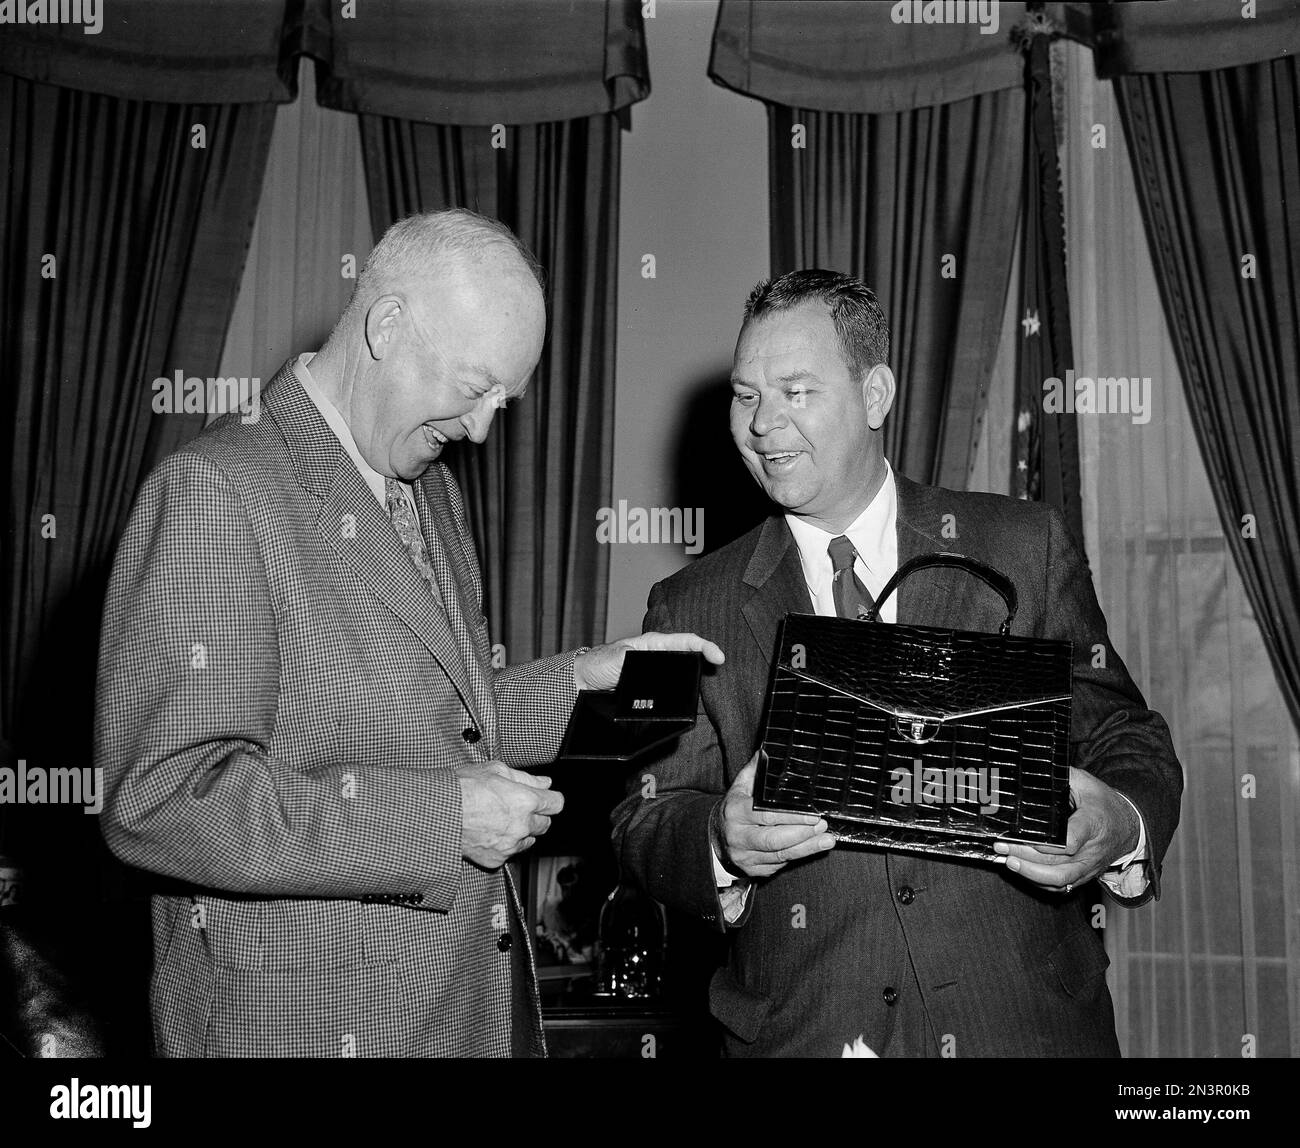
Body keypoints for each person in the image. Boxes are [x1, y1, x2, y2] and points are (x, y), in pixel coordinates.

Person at [94, 209, 721, 1058]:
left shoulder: (425, 489)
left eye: (504, 399)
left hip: (449, 1018)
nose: (482, 428)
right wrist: (439, 820)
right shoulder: (217, 493)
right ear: (387, 325)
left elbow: (433, 719)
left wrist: (586, 678)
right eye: (473, 386)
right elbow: (162, 798)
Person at [611, 269, 1182, 1058]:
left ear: (875, 394)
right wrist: (718, 838)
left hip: (1021, 1029)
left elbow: (1127, 734)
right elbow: (643, 811)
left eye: (795, 391)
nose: (764, 425)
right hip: (804, 1034)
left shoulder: (1022, 546)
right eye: (746, 396)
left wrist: (1120, 824)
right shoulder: (684, 604)